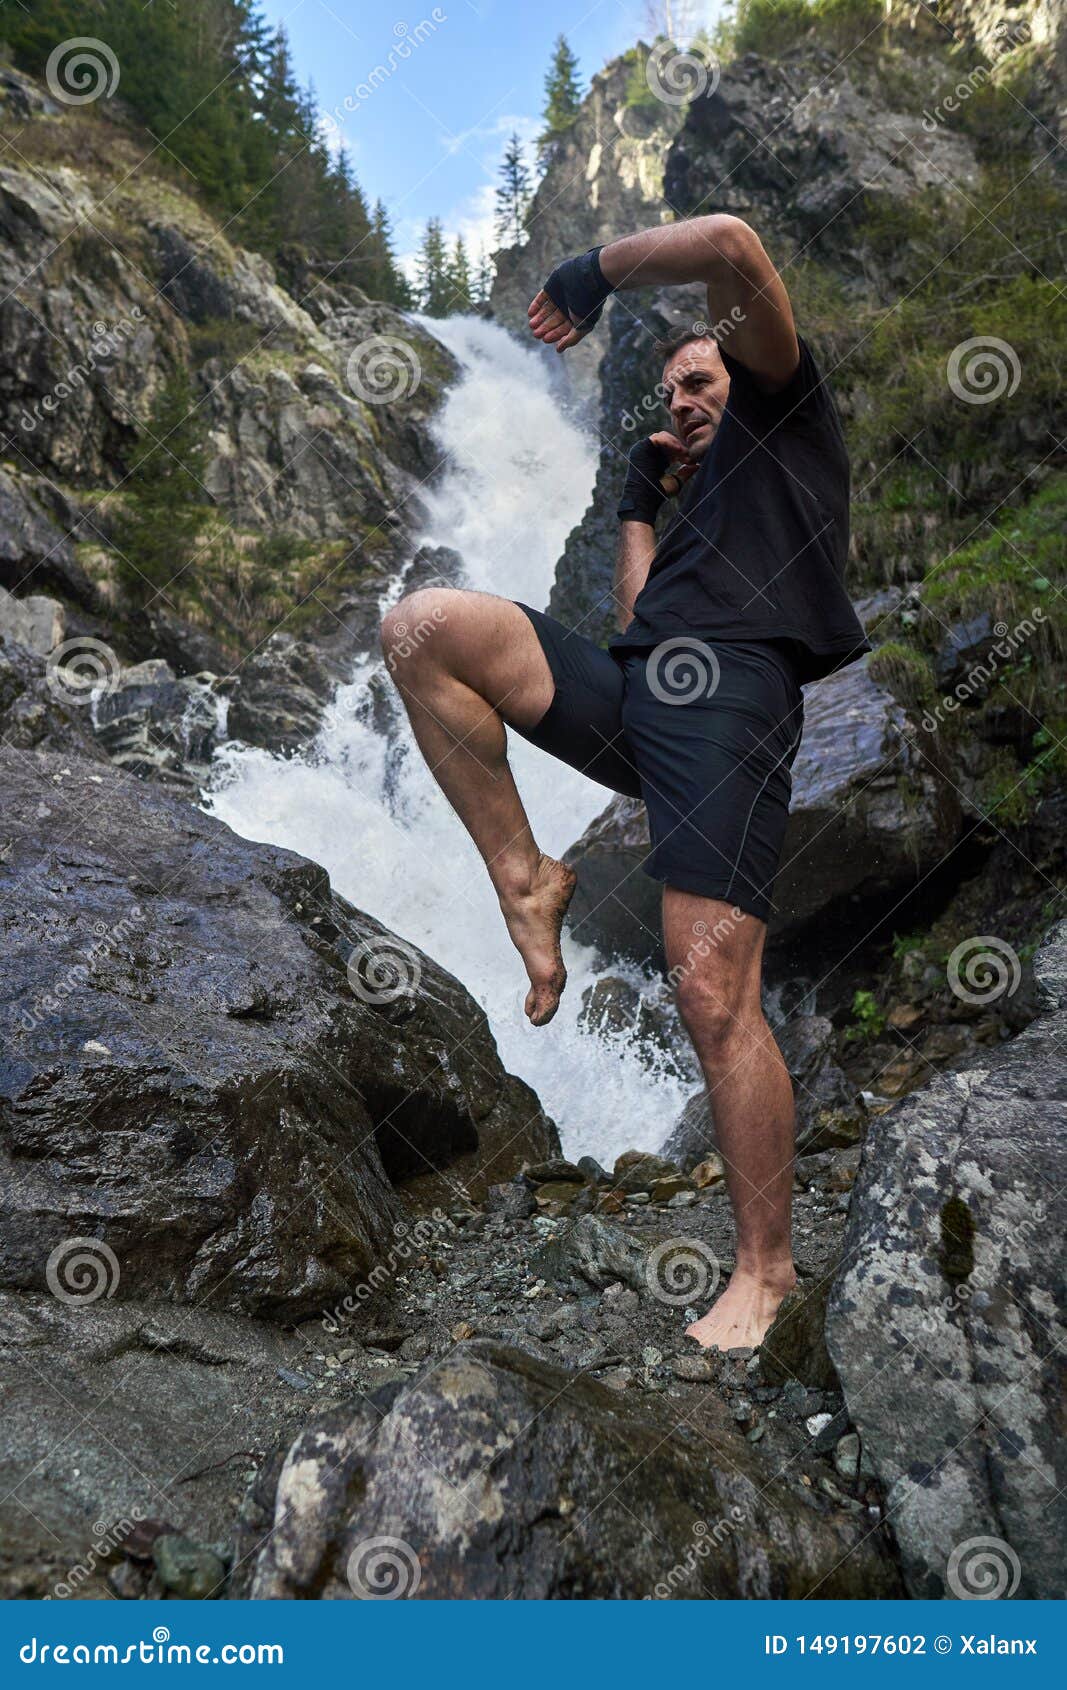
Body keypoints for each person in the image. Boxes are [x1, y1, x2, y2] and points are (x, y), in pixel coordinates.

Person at [381, 213, 870, 1351]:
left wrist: (588, 274)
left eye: (699, 380)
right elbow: (635, 625)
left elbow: (735, 247)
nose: (683, 402)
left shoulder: (787, 414)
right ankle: (525, 876)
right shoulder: (695, 501)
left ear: (741, 370)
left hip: (733, 700)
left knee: (710, 994)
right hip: (645, 690)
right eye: (668, 396)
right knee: (422, 631)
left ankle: (765, 1273)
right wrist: (641, 505)